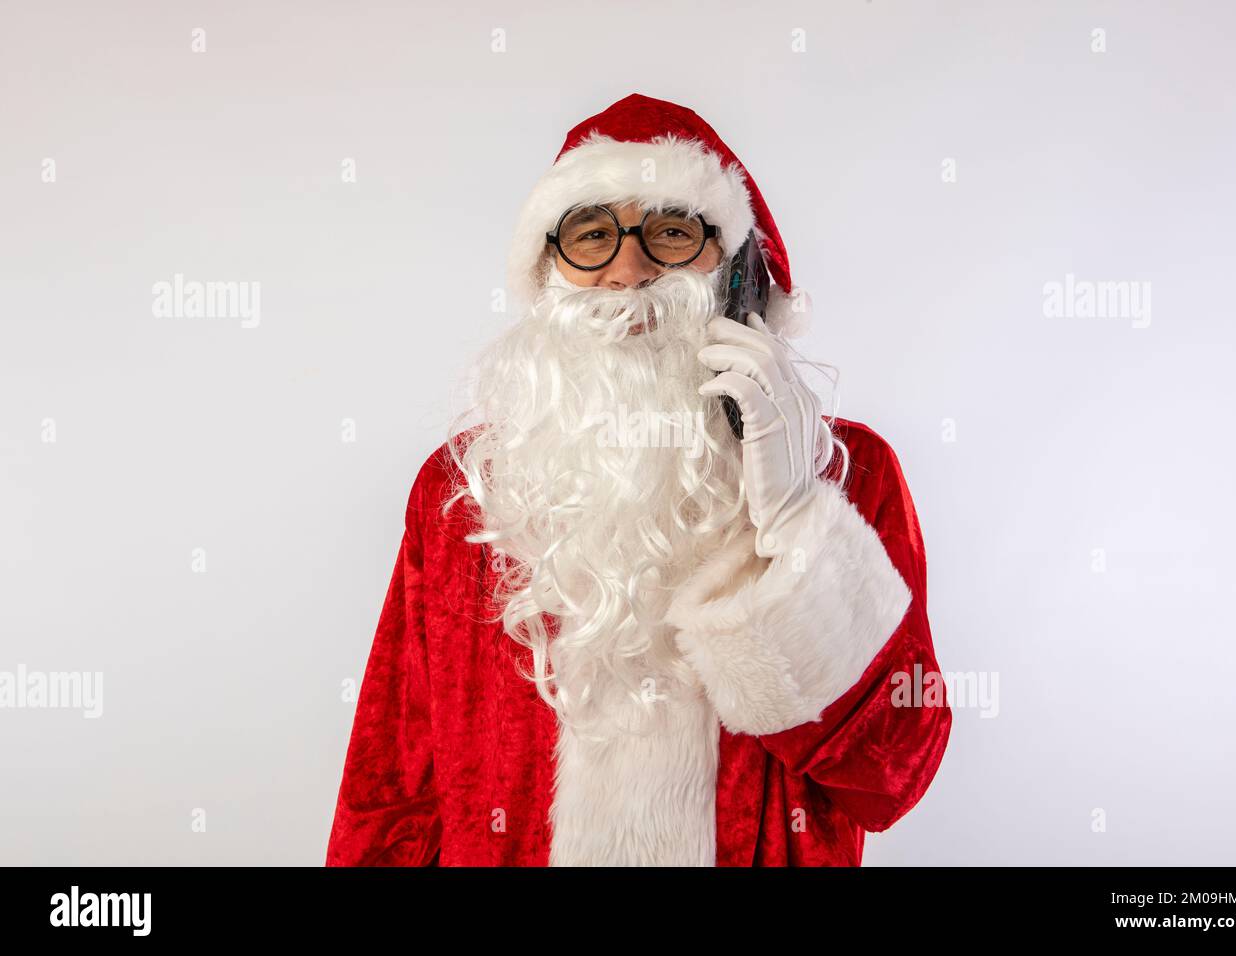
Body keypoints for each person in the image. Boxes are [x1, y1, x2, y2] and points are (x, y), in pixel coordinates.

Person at [325, 93, 952, 867]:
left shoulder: (844, 477)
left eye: (670, 231)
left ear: (735, 274)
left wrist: (797, 524)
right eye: (591, 235)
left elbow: (892, 777)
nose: (628, 271)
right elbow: (393, 789)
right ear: (549, 273)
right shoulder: (466, 493)